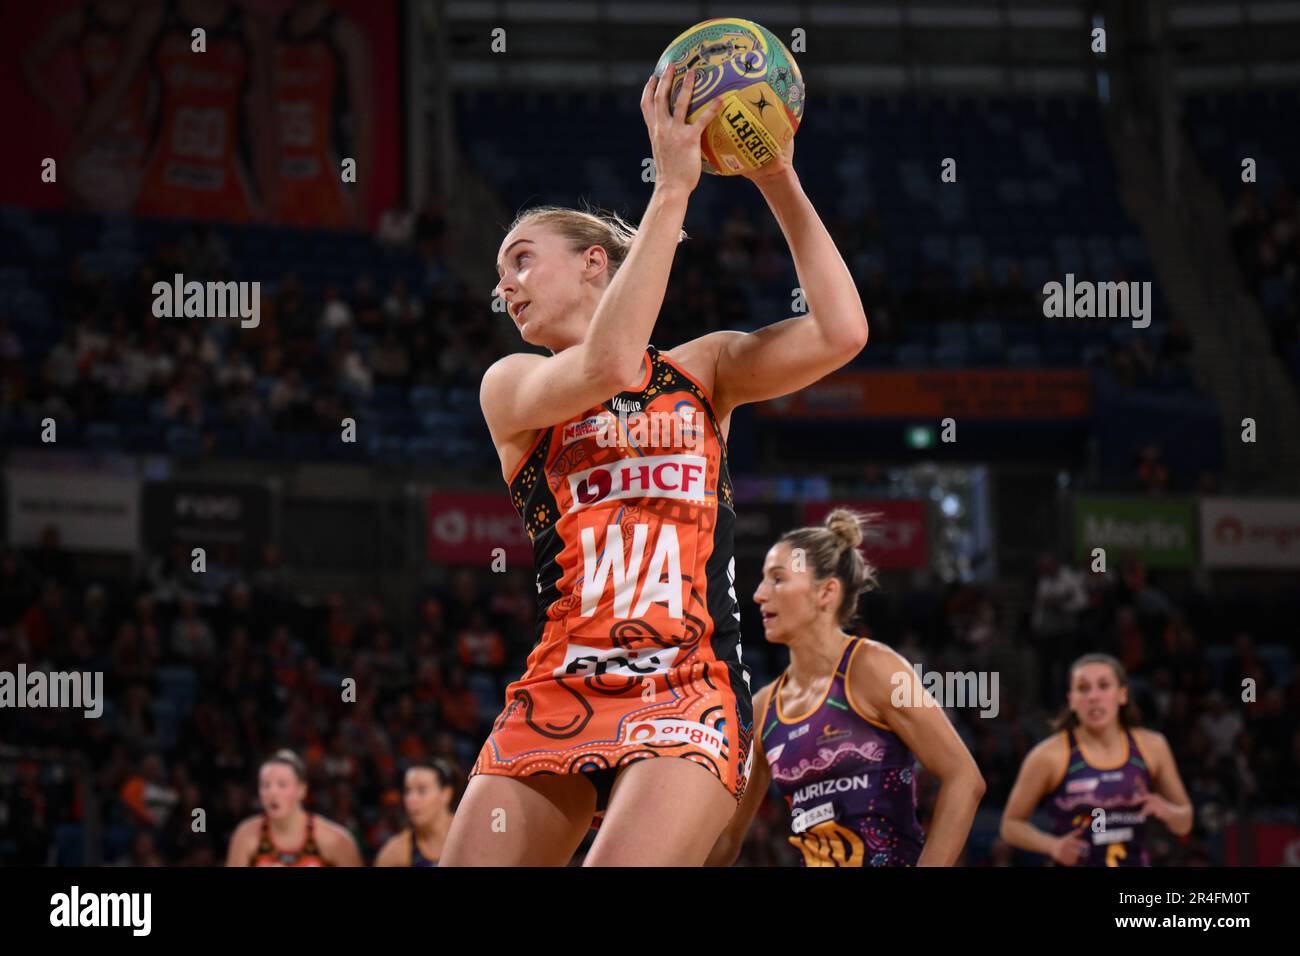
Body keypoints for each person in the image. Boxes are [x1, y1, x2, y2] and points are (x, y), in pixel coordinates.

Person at [440, 63, 869, 867]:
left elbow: (842, 330)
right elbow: (605, 368)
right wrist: (671, 189)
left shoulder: (702, 372)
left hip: (689, 684)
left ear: (594, 264)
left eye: (523, 260)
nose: (507, 287)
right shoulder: (514, 385)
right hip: (562, 677)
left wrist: (775, 174)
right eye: (501, 277)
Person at [707, 510, 985, 866]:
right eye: (762, 581)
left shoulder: (875, 668)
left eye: (777, 579)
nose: (759, 594)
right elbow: (728, 839)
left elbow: (964, 778)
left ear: (826, 592)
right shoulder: (763, 707)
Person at [1000, 653, 1193, 866]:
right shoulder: (1048, 755)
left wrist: (1167, 811)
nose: (1093, 696)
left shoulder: (1153, 746)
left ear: (1123, 694)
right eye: (1083, 688)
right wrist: (1052, 845)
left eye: (1103, 686)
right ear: (1071, 700)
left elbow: (1185, 822)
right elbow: (1010, 825)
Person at [225, 749, 363, 866]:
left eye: (282, 785)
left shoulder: (335, 840)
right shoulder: (245, 836)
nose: (273, 793)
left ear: (302, 790)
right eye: (266, 785)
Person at [374, 760, 457, 867]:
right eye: (407, 791)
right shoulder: (394, 853)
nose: (411, 799)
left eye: (422, 790)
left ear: (446, 794)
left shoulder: (472, 835)